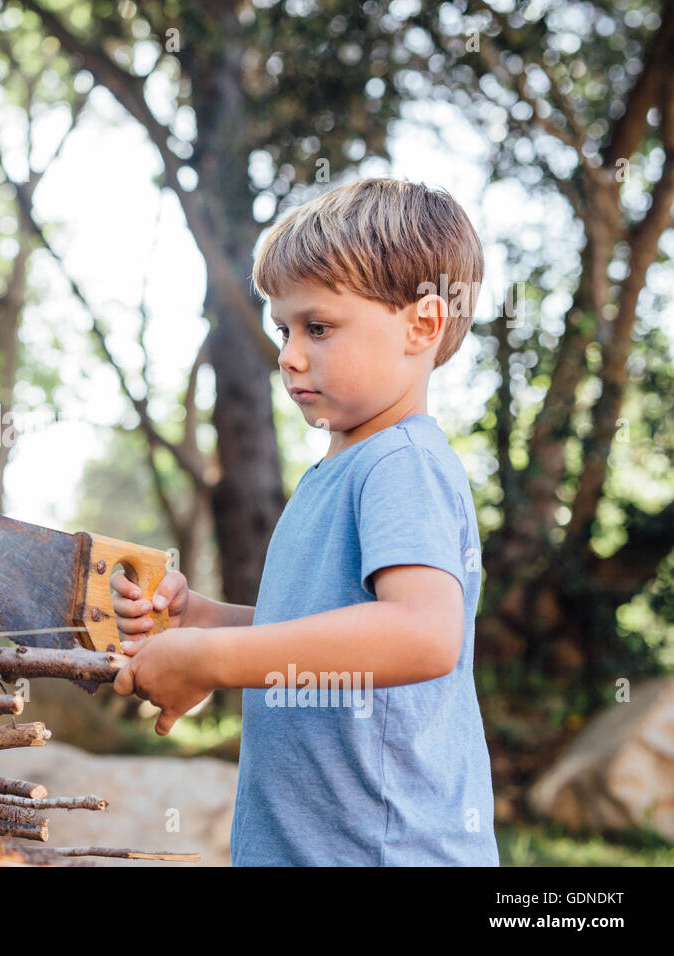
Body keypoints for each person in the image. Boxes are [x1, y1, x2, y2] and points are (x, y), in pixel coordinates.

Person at [111, 177, 499, 866]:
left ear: (423, 324)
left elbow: (423, 633)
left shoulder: (400, 463)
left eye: (317, 327)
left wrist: (212, 660)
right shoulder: (335, 473)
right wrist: (206, 621)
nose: (289, 354)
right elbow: (321, 632)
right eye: (283, 329)